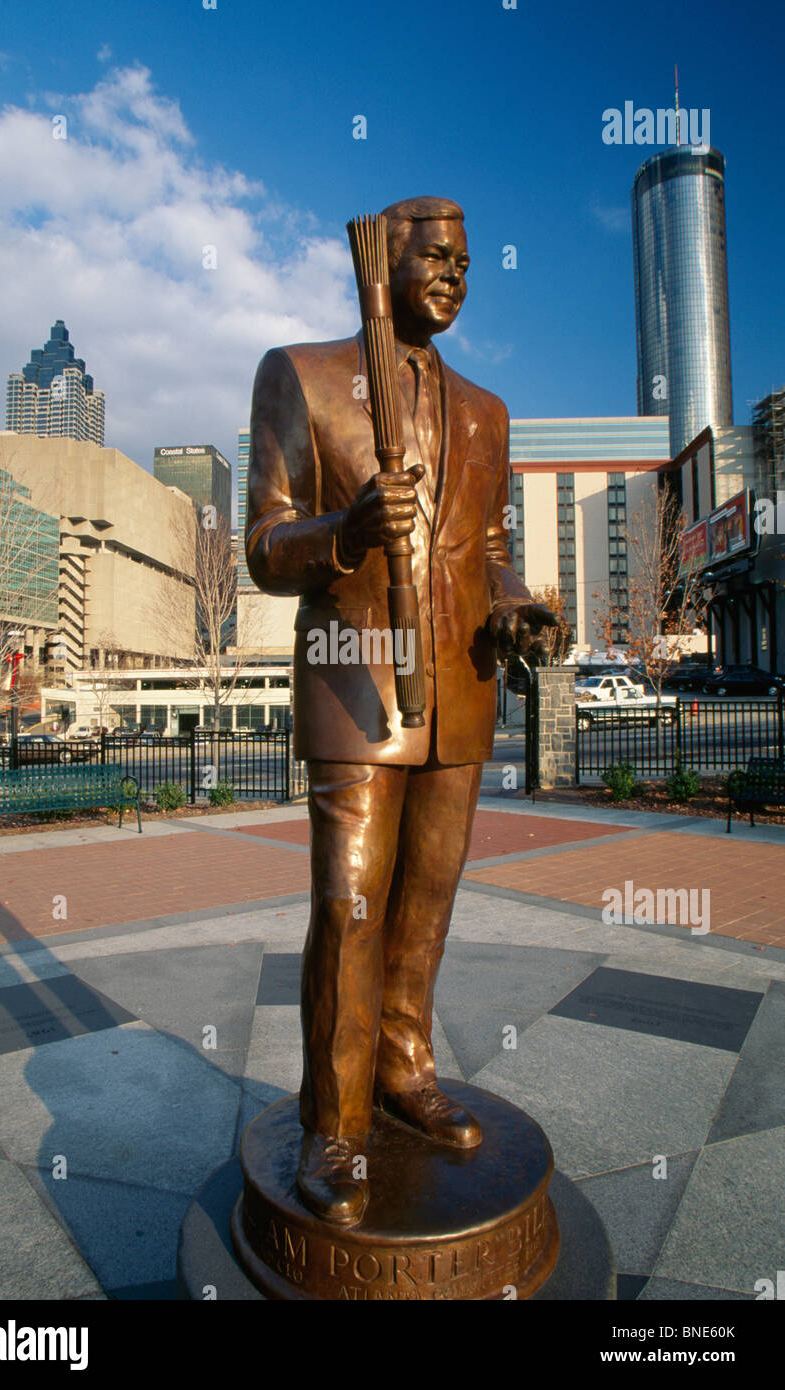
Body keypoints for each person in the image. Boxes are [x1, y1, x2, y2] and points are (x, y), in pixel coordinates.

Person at [247, 196, 556, 1225]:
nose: (456, 275)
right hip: (355, 681)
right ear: (383, 261)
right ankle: (332, 1123)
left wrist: (516, 608)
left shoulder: (486, 412)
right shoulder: (299, 376)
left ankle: (402, 1069)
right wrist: (343, 527)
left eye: (466, 263)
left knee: (425, 900)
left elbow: (489, 549)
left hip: (460, 691)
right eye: (436, 257)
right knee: (349, 904)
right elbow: (261, 544)